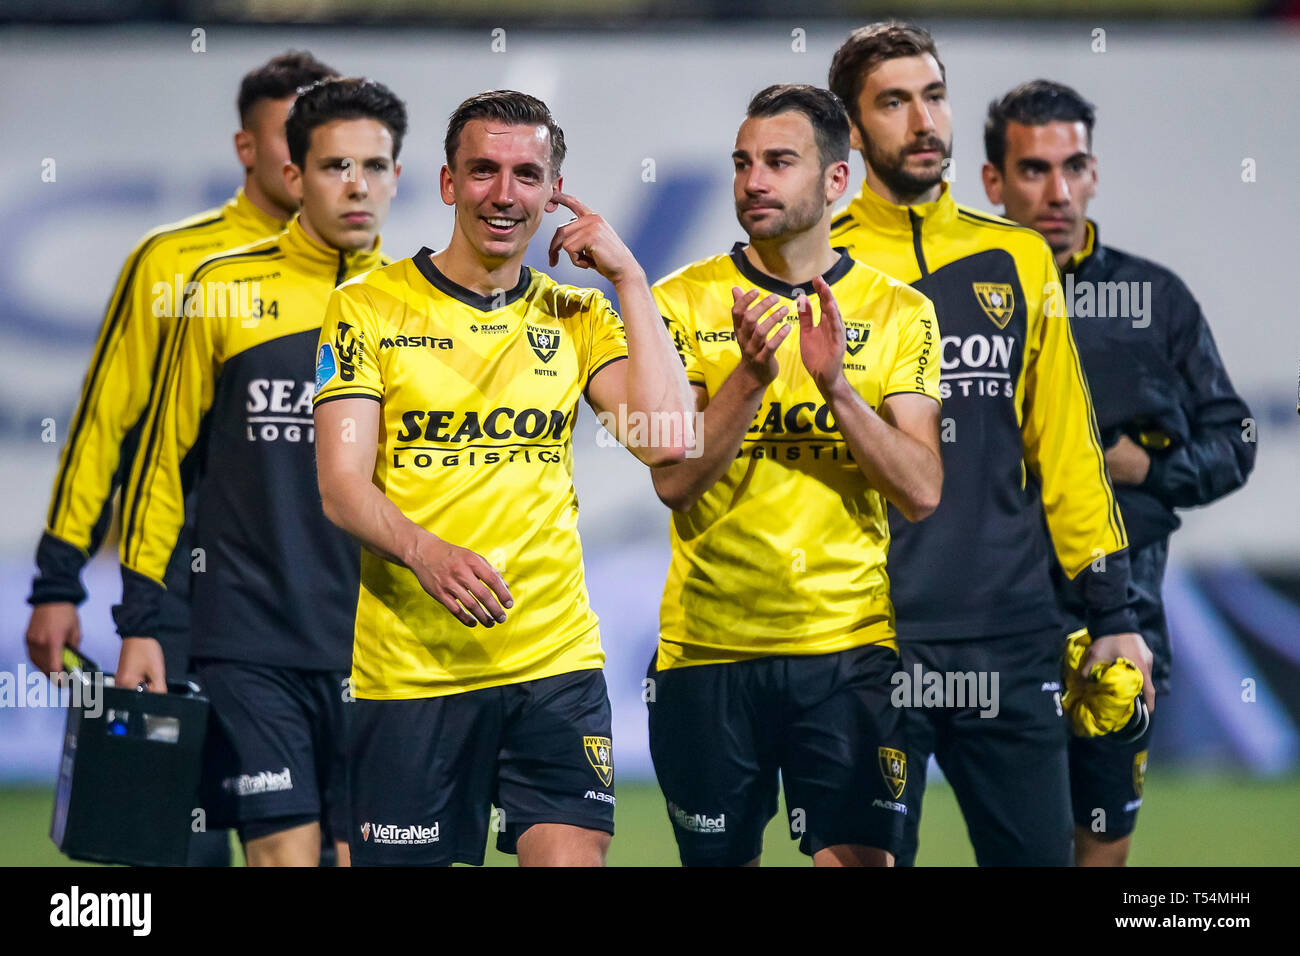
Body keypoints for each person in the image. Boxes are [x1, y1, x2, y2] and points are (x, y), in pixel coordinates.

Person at [312, 90, 694, 867]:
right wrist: (428, 553)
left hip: (554, 664)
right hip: (413, 675)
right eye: (483, 170)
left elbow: (666, 441)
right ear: (449, 183)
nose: (503, 193)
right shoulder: (368, 309)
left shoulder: (576, 317)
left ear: (553, 192)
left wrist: (627, 278)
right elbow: (341, 485)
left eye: (527, 174)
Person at [827, 21, 1149, 866]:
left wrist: (1114, 612)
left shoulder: (1016, 256)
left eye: (933, 96)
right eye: (894, 103)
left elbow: (1066, 445)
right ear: (852, 131)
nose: (924, 121)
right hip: (866, 635)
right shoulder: (818, 264)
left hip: (1009, 635)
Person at [645, 84, 942, 867]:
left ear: (836, 181)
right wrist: (749, 376)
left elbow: (921, 488)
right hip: (707, 656)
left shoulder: (899, 311)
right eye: (743, 163)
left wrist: (837, 387)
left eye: (779, 161)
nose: (754, 181)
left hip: (848, 655)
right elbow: (673, 482)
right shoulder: (680, 302)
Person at [115, 77, 404, 867]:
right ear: (292, 177)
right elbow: (161, 463)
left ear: (399, 178)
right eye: (334, 166)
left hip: (382, 648)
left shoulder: (414, 306)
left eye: (375, 167)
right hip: (249, 643)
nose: (357, 186)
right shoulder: (222, 289)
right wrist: (143, 619)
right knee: (284, 859)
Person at [981, 79, 1256, 865]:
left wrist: (1150, 466)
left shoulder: (1155, 302)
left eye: (1074, 167)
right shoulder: (962, 298)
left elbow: (1236, 438)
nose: (1058, 192)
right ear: (994, 182)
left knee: (1102, 848)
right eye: (1034, 170)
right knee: (1024, 849)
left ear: (1095, 173)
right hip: (994, 629)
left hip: (1121, 621)